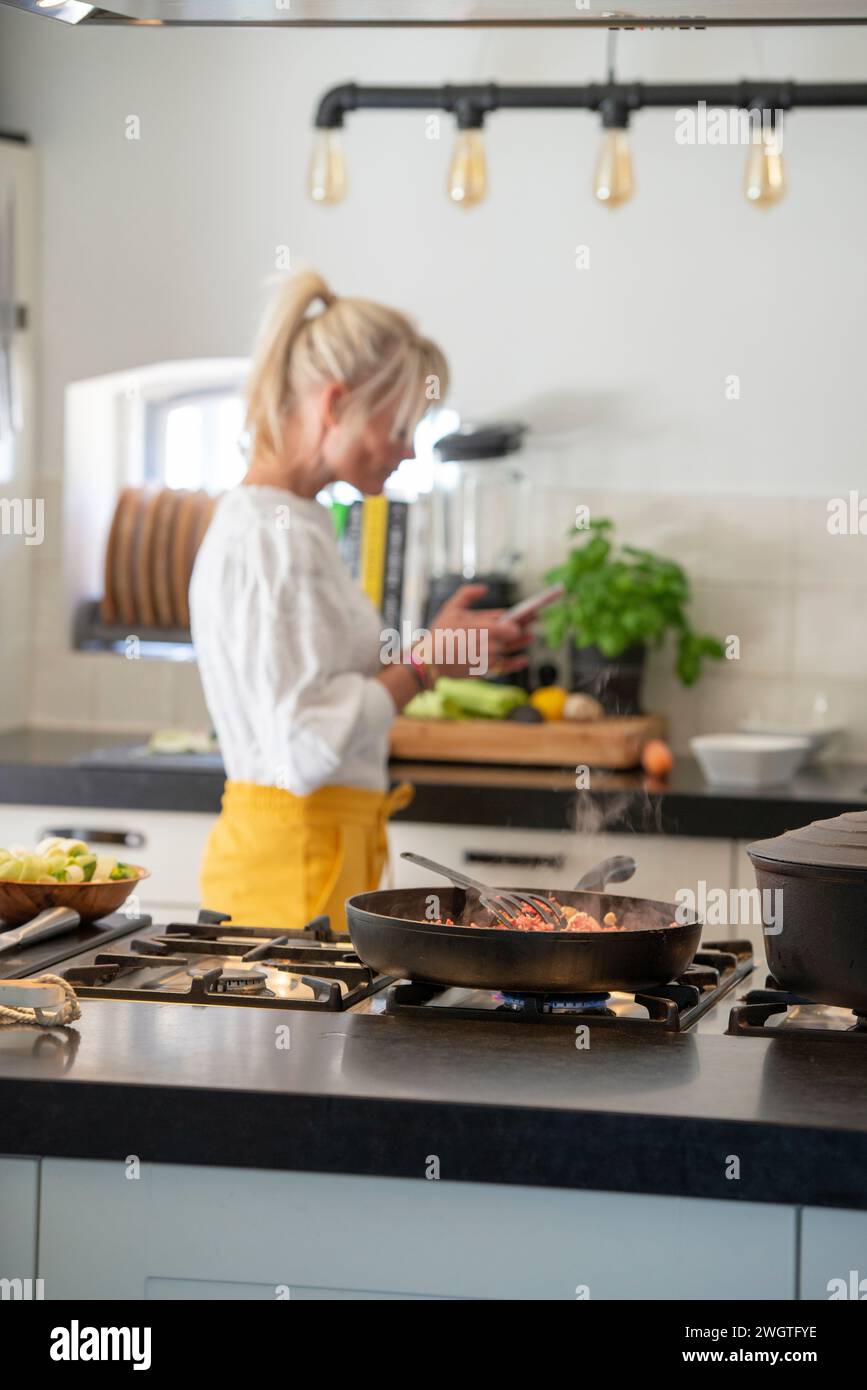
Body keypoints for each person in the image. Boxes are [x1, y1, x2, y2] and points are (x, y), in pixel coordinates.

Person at [190, 269, 528, 931]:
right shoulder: (271, 538)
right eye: (399, 426)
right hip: (289, 885)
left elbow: (325, 686)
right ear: (334, 402)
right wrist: (426, 666)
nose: (407, 450)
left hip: (311, 865)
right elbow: (307, 747)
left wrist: (438, 650)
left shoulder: (293, 522)